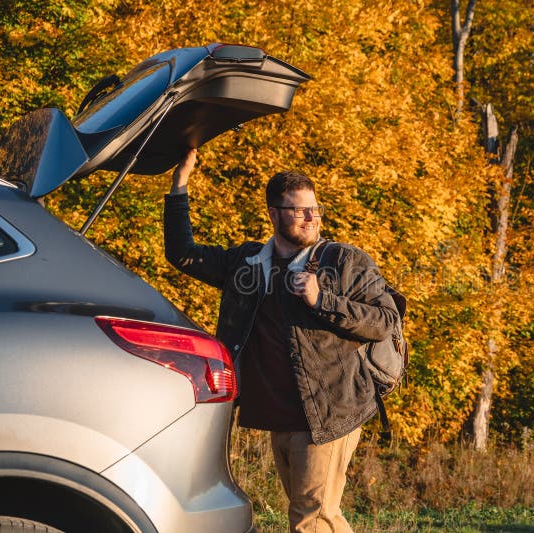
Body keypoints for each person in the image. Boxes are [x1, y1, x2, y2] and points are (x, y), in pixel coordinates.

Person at [164, 149, 398, 532]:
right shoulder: (248, 263)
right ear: (273, 214)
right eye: (299, 210)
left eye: (315, 209)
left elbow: (385, 321)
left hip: (328, 412)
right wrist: (179, 185)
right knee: (320, 514)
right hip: (280, 416)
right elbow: (183, 255)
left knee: (309, 519)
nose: (311, 217)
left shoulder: (343, 261)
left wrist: (322, 300)